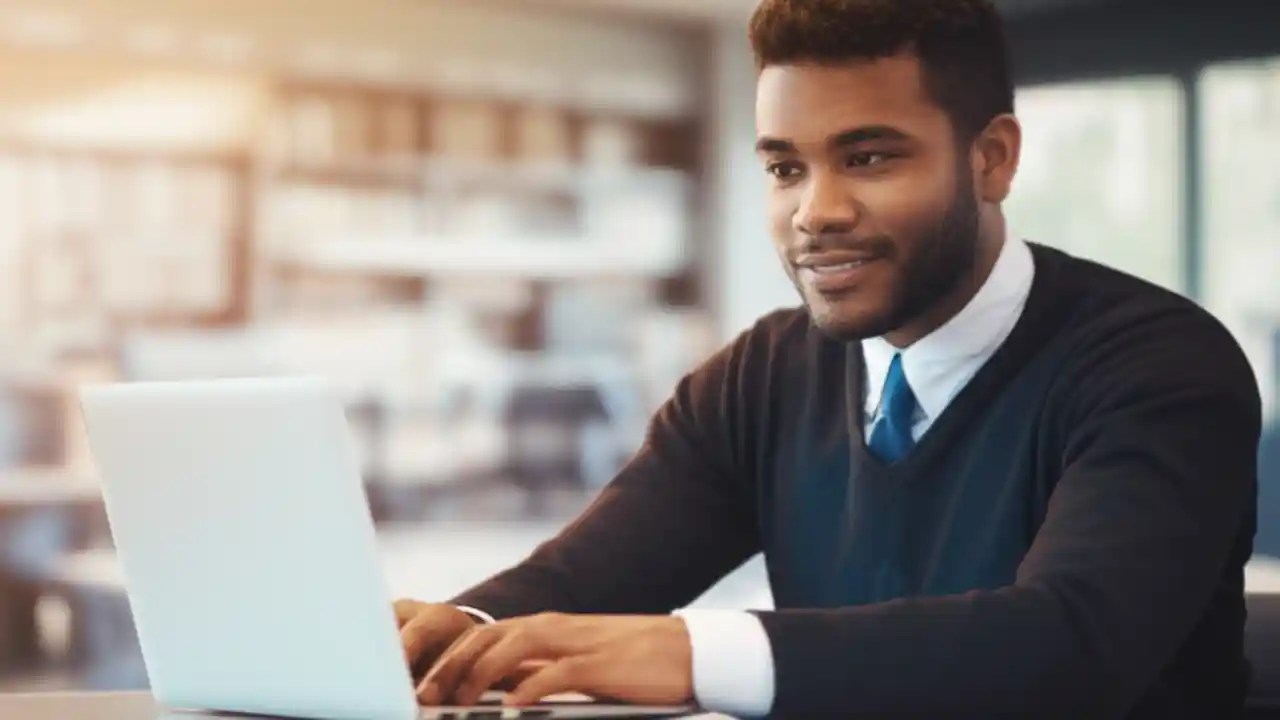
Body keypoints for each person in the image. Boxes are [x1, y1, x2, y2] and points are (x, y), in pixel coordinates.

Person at [396, 0, 1262, 717]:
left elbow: (1071, 645)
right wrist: (457, 630)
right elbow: (590, 575)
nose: (817, 211)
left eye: (869, 157)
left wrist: (696, 651)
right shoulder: (762, 374)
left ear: (991, 159)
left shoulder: (1159, 368)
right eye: (784, 169)